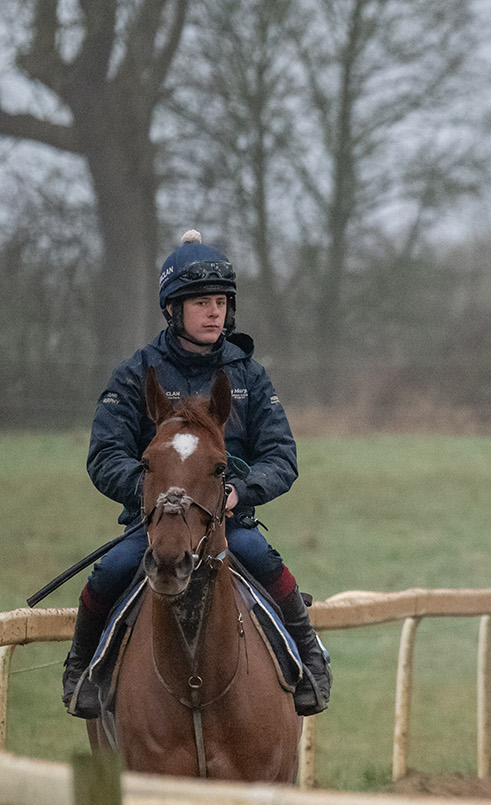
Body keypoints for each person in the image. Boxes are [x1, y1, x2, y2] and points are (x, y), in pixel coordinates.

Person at [61, 231, 330, 719]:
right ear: (172, 310)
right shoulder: (134, 373)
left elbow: (282, 456)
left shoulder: (249, 375)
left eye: (221, 302)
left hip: (227, 524)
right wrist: (155, 494)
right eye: (201, 302)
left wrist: (238, 492)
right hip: (155, 525)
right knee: (110, 573)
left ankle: (309, 659)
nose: (214, 313)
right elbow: (104, 455)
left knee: (265, 563)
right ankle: (83, 668)